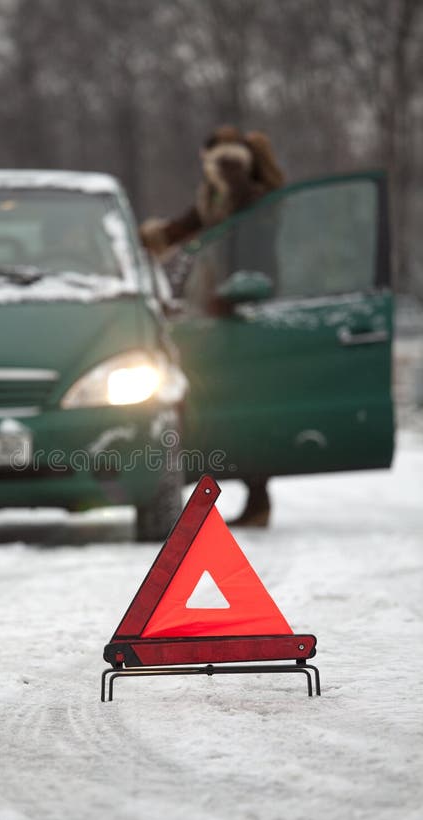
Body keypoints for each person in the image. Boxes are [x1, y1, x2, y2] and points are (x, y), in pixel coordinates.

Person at [140, 124, 285, 527]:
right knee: (225, 401)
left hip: (245, 303)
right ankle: (251, 497)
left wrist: (231, 169)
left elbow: (242, 228)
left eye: (220, 162)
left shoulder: (248, 194)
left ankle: (258, 498)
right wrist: (148, 239)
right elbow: (186, 228)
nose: (214, 169)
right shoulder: (215, 195)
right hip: (220, 306)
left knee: (246, 403)